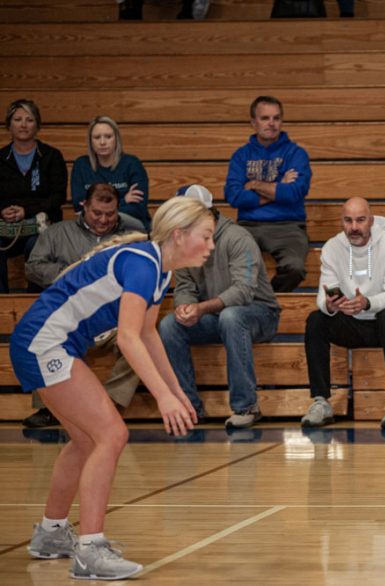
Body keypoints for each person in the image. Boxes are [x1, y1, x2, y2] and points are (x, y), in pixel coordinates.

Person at [16, 196, 211, 579]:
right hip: (45, 343)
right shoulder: (141, 264)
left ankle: (51, 533)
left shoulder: (160, 270)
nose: (211, 245)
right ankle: (90, 550)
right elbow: (127, 339)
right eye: (206, 237)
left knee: (88, 440)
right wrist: (162, 397)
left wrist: (176, 391)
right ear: (179, 234)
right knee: (112, 434)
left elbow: (147, 333)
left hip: (53, 343)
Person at [159, 185, 281, 430]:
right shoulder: (183, 241)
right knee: (169, 324)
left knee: (232, 316)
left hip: (259, 313)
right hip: (216, 315)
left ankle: (246, 406)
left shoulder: (238, 238)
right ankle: (188, 406)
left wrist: (201, 308)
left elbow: (243, 291)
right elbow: (184, 286)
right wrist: (184, 306)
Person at [22, 183, 138, 428]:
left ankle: (109, 404)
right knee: (43, 336)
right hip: (68, 320)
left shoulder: (131, 236)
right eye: (97, 213)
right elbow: (33, 267)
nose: (103, 220)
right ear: (84, 206)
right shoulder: (56, 233)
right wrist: (70, 275)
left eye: (110, 214)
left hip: (112, 321)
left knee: (141, 341)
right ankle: (49, 409)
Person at [302, 197, 385, 429]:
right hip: (354, 322)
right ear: (342, 222)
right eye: (348, 221)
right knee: (316, 320)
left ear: (371, 220)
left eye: (360, 220)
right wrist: (331, 306)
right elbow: (321, 298)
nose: (354, 227)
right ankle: (321, 401)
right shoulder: (332, 248)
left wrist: (367, 303)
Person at [225, 95, 312, 292]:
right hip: (248, 226)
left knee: (295, 268)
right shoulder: (241, 156)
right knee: (232, 267)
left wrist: (254, 184)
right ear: (253, 123)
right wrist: (278, 186)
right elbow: (234, 197)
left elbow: (294, 193)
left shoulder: (296, 154)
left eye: (276, 118)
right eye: (265, 118)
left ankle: (268, 299)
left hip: (288, 226)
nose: (271, 123)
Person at [0, 99, 66, 294]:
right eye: (18, 119)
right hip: (5, 228)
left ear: (37, 124)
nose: (23, 124)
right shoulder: (0, 158)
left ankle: (33, 300)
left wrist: (26, 210)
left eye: (29, 119)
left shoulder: (51, 156)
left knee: (37, 245)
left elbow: (58, 196)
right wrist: (2, 211)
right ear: (9, 125)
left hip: (41, 227)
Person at [70, 115, 150, 232]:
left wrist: (97, 210)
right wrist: (124, 201)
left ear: (116, 139)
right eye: (97, 137)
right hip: (93, 227)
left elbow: (138, 208)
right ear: (90, 141)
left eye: (108, 136)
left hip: (128, 225)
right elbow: (79, 207)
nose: (102, 142)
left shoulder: (132, 164)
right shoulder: (81, 165)